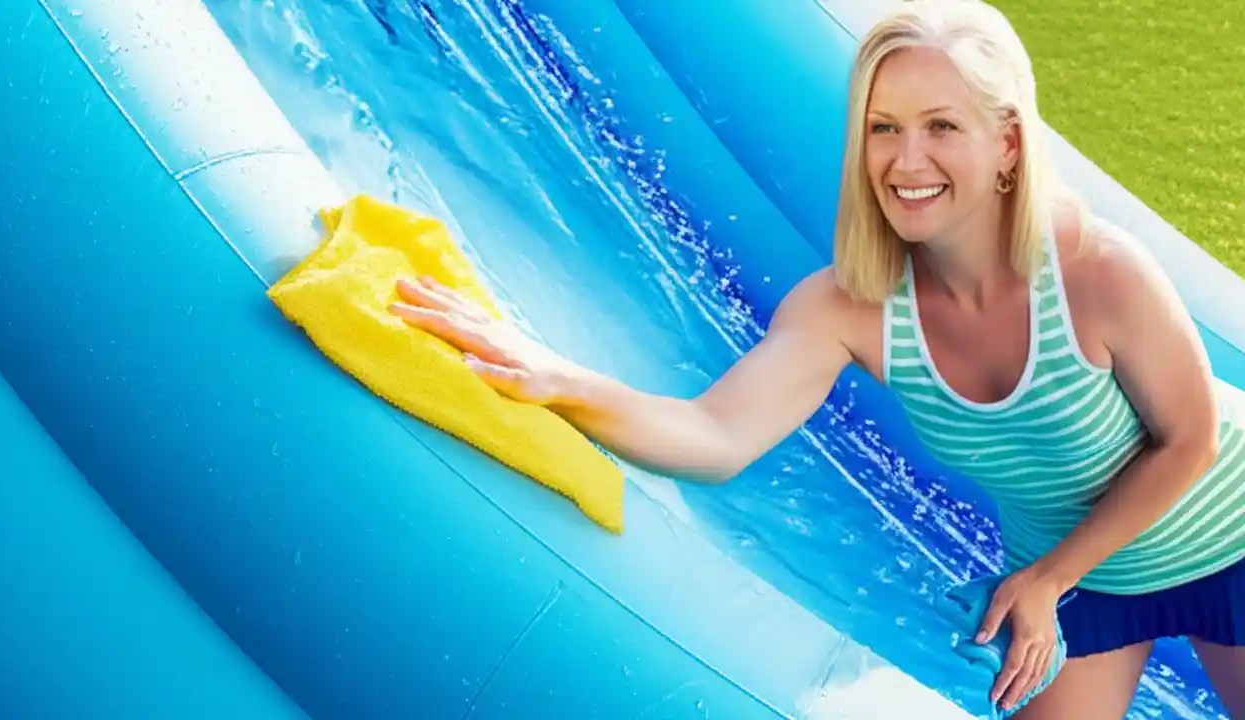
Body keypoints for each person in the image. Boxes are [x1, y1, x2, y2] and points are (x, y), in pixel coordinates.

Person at [389, 0, 1245, 715]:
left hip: (1222, 530)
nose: (906, 162)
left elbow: (1189, 442)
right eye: (884, 128)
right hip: (1085, 576)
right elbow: (714, 435)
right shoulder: (851, 308)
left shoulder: (1097, 271)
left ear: (1009, 145)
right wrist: (556, 379)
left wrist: (1050, 579)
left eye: (942, 127)